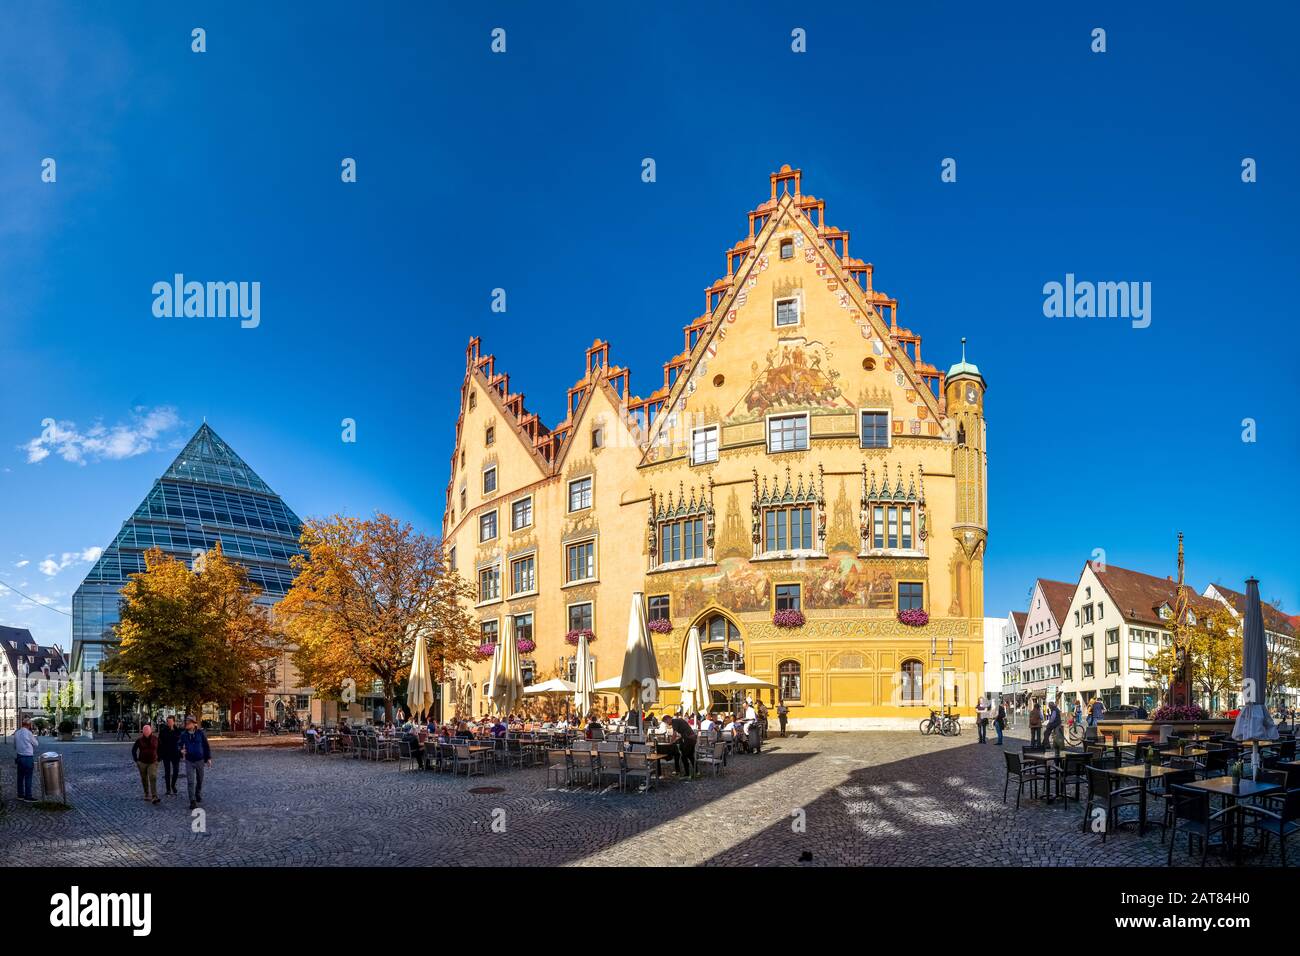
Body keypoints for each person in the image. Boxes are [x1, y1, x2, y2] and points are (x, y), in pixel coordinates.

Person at [178, 715, 212, 811]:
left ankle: (197, 793)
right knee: (190, 781)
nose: (186, 724)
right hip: (189, 760)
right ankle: (192, 801)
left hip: (200, 760)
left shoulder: (200, 733)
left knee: (200, 779)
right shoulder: (183, 734)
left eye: (188, 722)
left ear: (193, 724)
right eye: (186, 722)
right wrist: (181, 750)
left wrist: (208, 758)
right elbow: (178, 745)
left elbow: (206, 746)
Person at [132, 723, 162, 804]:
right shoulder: (139, 740)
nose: (146, 732)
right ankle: (146, 793)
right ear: (143, 732)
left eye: (147, 730)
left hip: (153, 762)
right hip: (142, 762)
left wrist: (159, 759)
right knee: (144, 778)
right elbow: (134, 750)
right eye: (144, 731)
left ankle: (154, 796)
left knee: (153, 777)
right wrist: (136, 760)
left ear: (151, 731)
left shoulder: (155, 739)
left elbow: (161, 748)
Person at [156, 715, 182, 795]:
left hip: (175, 754)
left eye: (170, 721)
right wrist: (159, 755)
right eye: (168, 721)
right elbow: (159, 744)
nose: (169, 723)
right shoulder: (163, 731)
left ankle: (173, 785)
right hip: (166, 754)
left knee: (176, 771)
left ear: (174, 722)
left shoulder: (178, 731)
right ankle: (168, 789)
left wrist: (181, 751)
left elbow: (181, 743)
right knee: (167, 772)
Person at [13, 717, 38, 802]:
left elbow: (15, 746)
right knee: (28, 777)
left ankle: (20, 795)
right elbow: (36, 744)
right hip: (27, 757)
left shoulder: (17, 733)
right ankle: (28, 796)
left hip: (19, 757)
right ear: (29, 725)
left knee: (20, 777)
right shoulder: (28, 733)